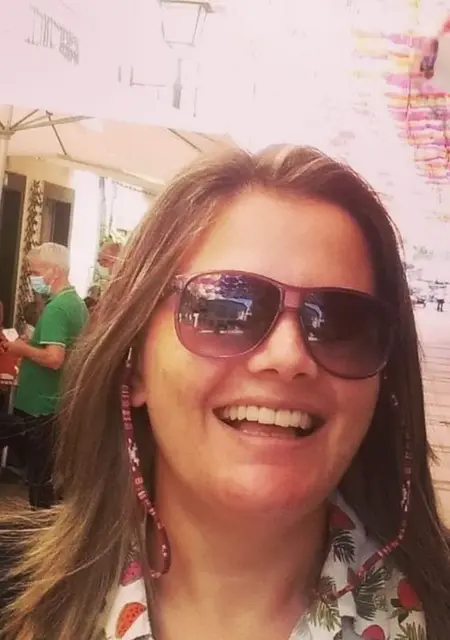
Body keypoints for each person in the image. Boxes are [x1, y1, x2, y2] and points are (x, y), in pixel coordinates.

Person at [1, 146, 449, 639]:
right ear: (136, 362)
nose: (288, 357)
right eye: (225, 308)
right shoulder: (15, 597)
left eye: (342, 323)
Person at [0, 242, 88, 508]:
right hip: (56, 400)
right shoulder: (75, 304)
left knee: (40, 477)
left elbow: (54, 358)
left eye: (35, 272)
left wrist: (21, 349)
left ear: (54, 271)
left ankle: (39, 523)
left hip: (43, 405)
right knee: (47, 473)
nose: (32, 277)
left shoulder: (57, 308)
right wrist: (31, 343)